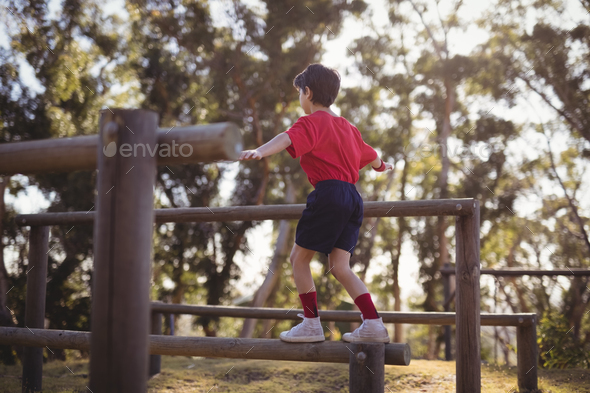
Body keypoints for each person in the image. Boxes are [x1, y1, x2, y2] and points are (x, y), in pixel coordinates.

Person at [239, 63, 393, 343]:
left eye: (299, 92)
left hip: (329, 194)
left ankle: (311, 323)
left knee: (299, 259)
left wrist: (259, 152)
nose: (300, 98)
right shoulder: (349, 127)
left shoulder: (310, 123)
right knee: (340, 266)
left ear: (307, 92)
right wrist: (383, 166)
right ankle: (373, 324)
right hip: (352, 198)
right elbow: (372, 156)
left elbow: (286, 139)